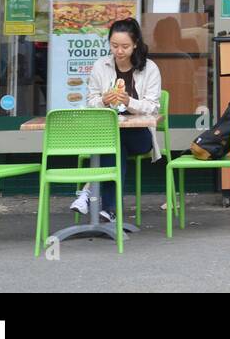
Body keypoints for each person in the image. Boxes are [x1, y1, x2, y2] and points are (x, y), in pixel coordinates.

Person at [69, 18, 163, 223]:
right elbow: (90, 101)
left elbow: (153, 107)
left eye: (125, 46)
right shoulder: (100, 66)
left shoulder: (150, 69)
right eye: (114, 46)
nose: (119, 51)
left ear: (136, 44)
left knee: (114, 140)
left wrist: (129, 102)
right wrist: (103, 100)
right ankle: (109, 211)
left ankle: (88, 191)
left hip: (140, 135)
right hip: (108, 134)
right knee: (115, 144)